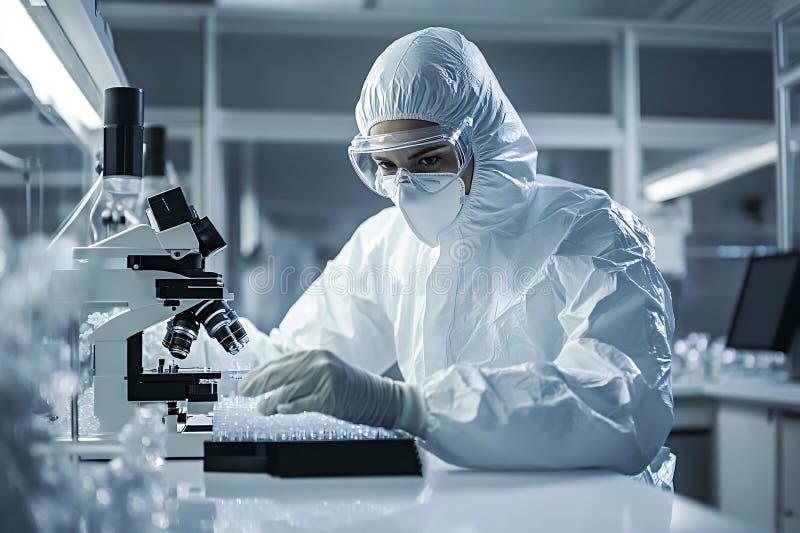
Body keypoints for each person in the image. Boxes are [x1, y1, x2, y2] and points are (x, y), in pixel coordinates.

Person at [237, 27, 674, 474]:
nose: (405, 187)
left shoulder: (589, 229)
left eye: (428, 160)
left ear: (483, 139)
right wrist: (201, 350)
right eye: (386, 165)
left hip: (589, 503)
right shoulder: (384, 242)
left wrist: (409, 406)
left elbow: (619, 402)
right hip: (450, 498)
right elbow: (289, 367)